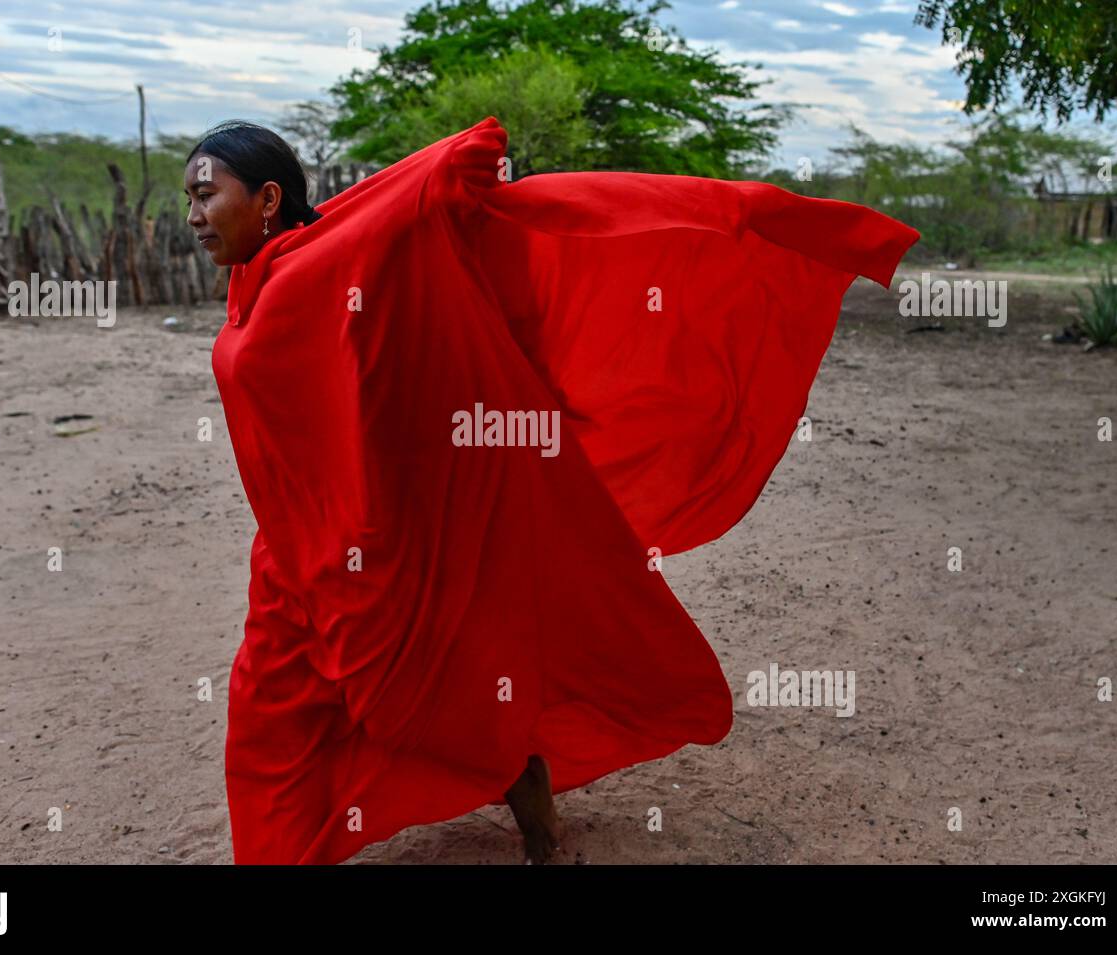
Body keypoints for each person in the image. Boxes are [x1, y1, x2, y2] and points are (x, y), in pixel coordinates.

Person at [185, 115, 918, 865]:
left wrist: (456, 160)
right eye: (188, 198)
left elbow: (430, 189)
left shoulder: (324, 258)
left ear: (269, 197)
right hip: (289, 557)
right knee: (269, 725)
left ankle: (530, 802)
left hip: (369, 541)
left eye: (206, 194)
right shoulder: (257, 276)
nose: (192, 215)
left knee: (447, 702)